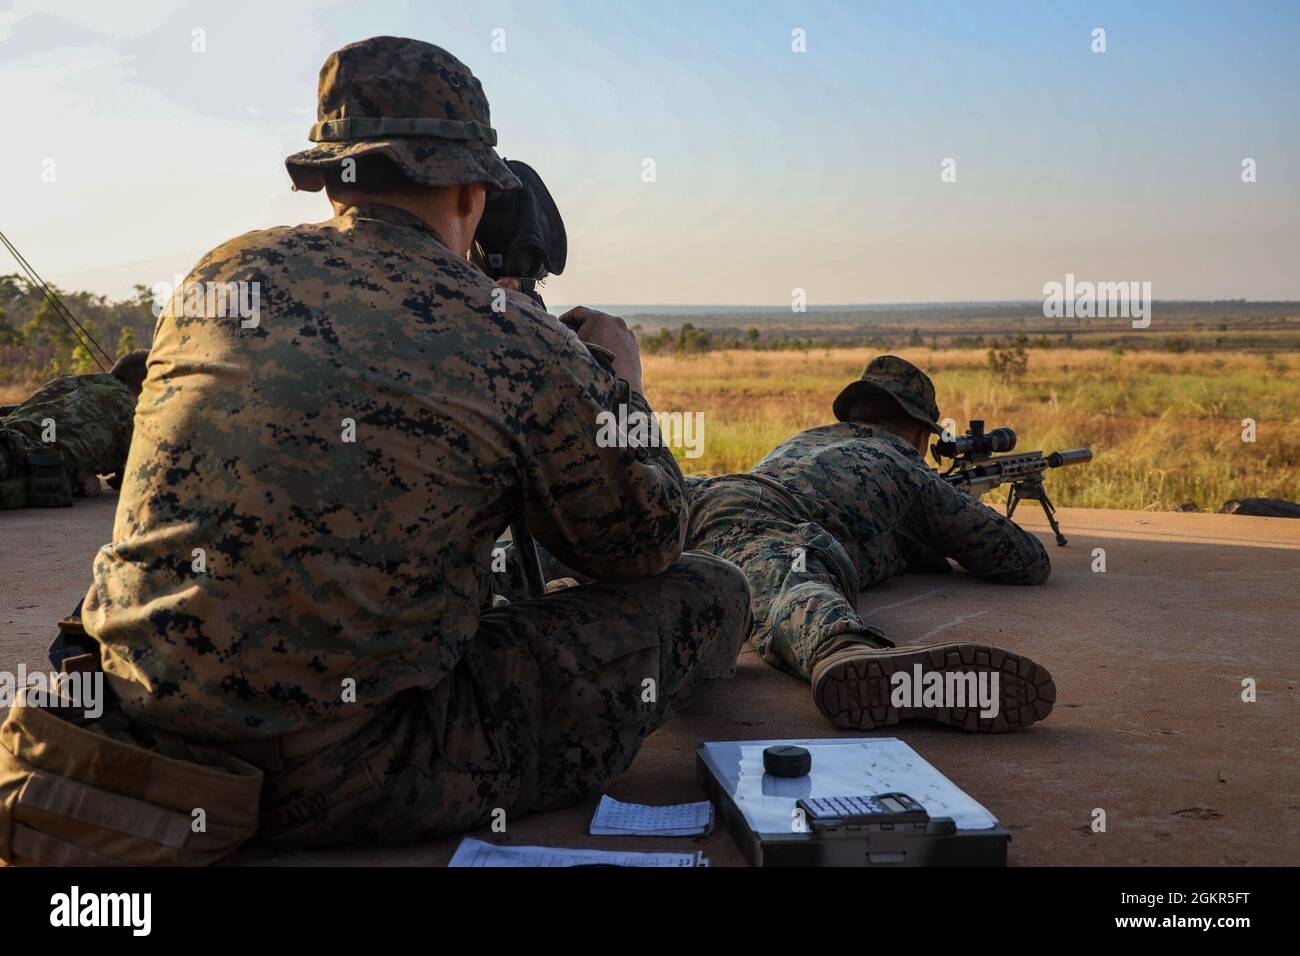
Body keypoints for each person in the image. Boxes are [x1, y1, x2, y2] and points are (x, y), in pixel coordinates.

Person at [79, 36, 751, 846]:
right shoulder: (513, 340)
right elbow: (637, 547)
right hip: (347, 769)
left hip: (139, 723)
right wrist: (616, 383)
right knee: (710, 591)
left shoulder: (219, 273)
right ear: (471, 190)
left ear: (330, 179)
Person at [686, 355, 1056, 733]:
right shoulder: (905, 466)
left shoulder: (806, 438)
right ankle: (846, 651)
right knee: (787, 576)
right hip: (762, 522)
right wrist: (956, 510)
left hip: (698, 494)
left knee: (663, 567)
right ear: (918, 435)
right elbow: (1025, 560)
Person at [0, 350, 147, 509]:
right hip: (19, 459)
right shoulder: (128, 407)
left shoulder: (66, 381)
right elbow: (146, 475)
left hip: (7, 435)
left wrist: (85, 473)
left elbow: (67, 429)